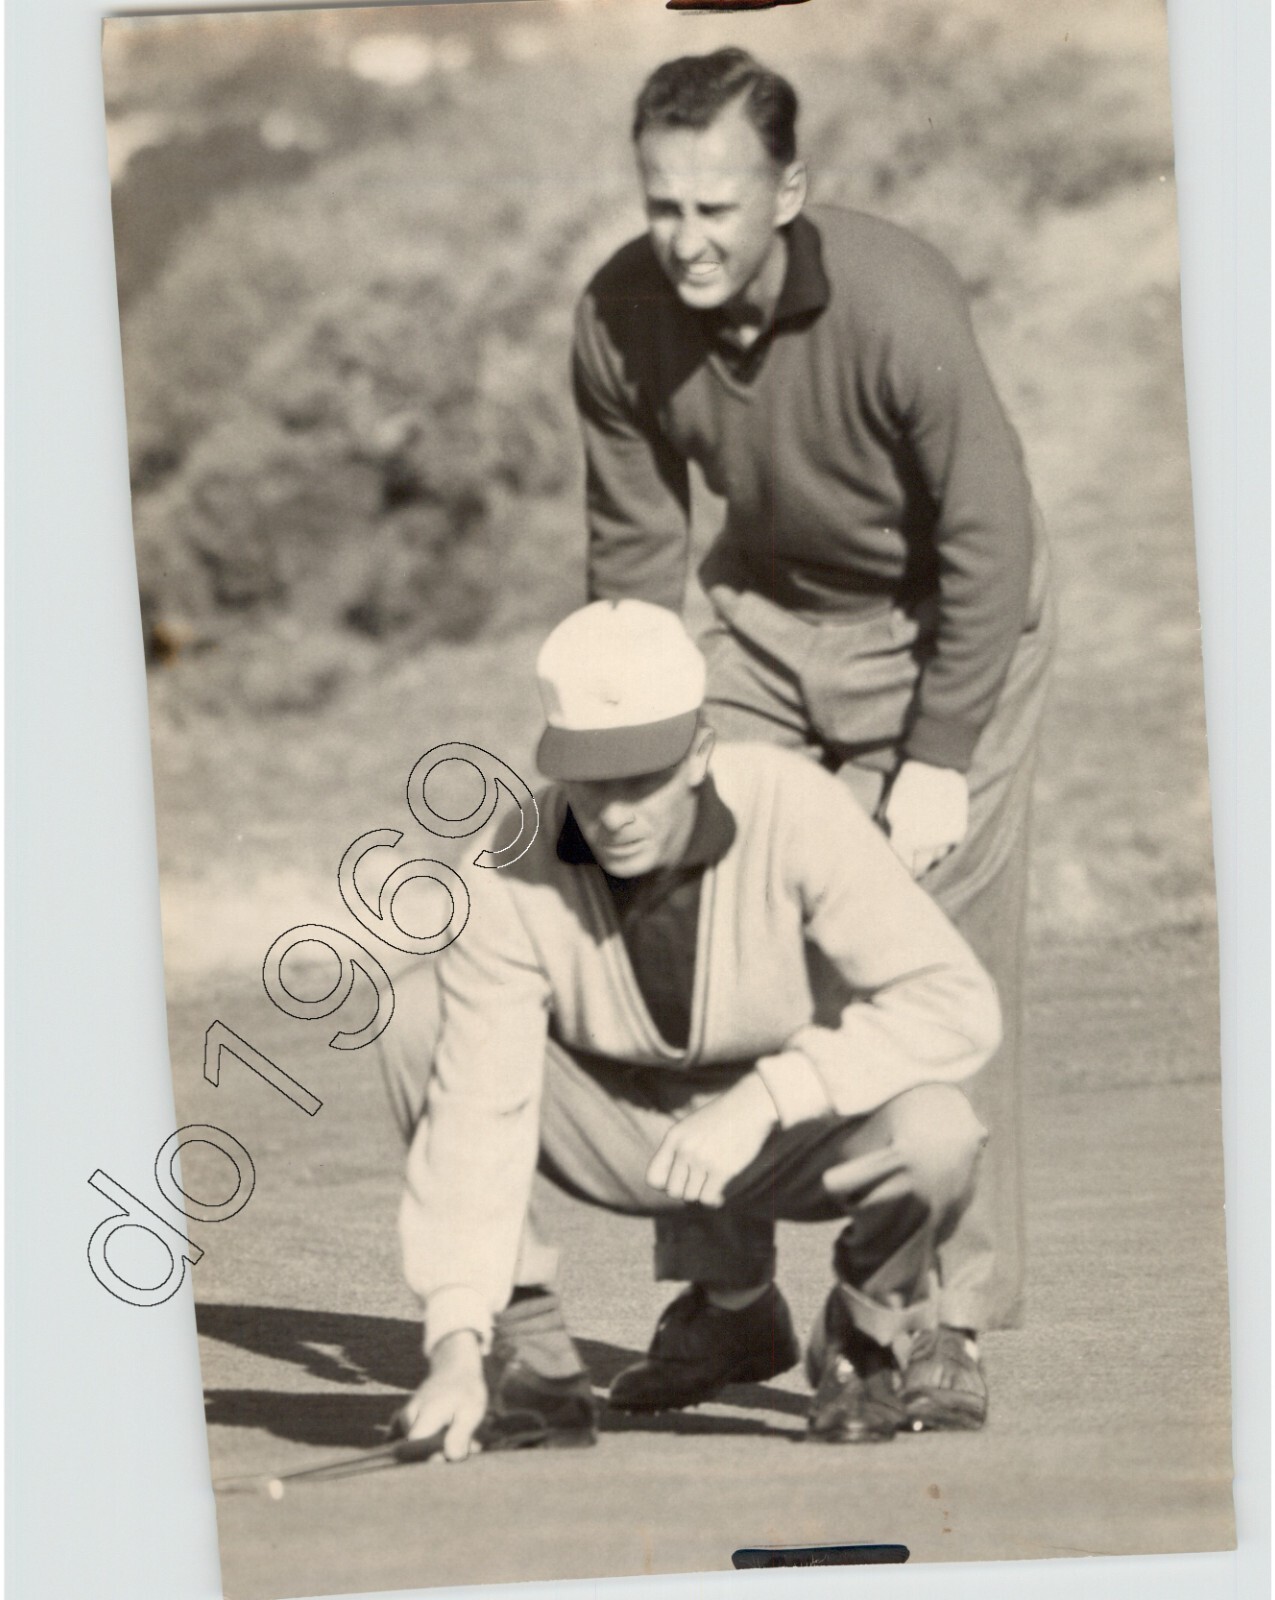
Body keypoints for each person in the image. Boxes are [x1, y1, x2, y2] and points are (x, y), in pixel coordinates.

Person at [571, 48, 1056, 1398]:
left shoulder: (895, 301)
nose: (685, 240)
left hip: (946, 620)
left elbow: (988, 537)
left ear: (788, 191)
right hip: (765, 619)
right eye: (662, 205)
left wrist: (938, 758)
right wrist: (633, 746)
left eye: (715, 208)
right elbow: (634, 551)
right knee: (688, 900)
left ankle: (935, 1322)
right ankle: (729, 1300)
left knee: (929, 949)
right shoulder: (618, 312)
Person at [385, 598, 999, 1461]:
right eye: (590, 780)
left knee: (936, 1131)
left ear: (700, 754)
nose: (614, 813)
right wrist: (455, 1343)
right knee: (420, 1011)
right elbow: (474, 1115)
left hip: (792, 1134)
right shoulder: (507, 863)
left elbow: (953, 1000)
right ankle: (532, 1358)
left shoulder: (794, 804)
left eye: (641, 778)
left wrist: (768, 1096)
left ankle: (862, 1339)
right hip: (631, 1135)